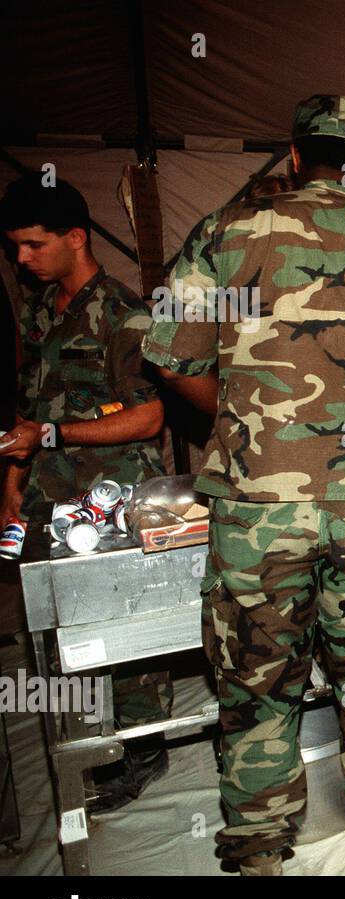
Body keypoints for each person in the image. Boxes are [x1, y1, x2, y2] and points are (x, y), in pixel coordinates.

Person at [142, 94, 345, 875]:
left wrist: (241, 418)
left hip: (259, 506)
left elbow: (170, 355)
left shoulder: (222, 239)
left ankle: (259, 855)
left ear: (296, 157)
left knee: (255, 681)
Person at [0, 173, 173, 814]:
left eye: (33, 244)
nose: (21, 258)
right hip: (48, 499)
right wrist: (12, 491)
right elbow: (27, 412)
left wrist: (54, 431)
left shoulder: (124, 315)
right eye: (15, 246)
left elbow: (149, 416)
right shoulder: (41, 311)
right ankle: (87, 736)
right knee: (63, 633)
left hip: (110, 498)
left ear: (76, 238)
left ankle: (140, 749)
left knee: (119, 623)